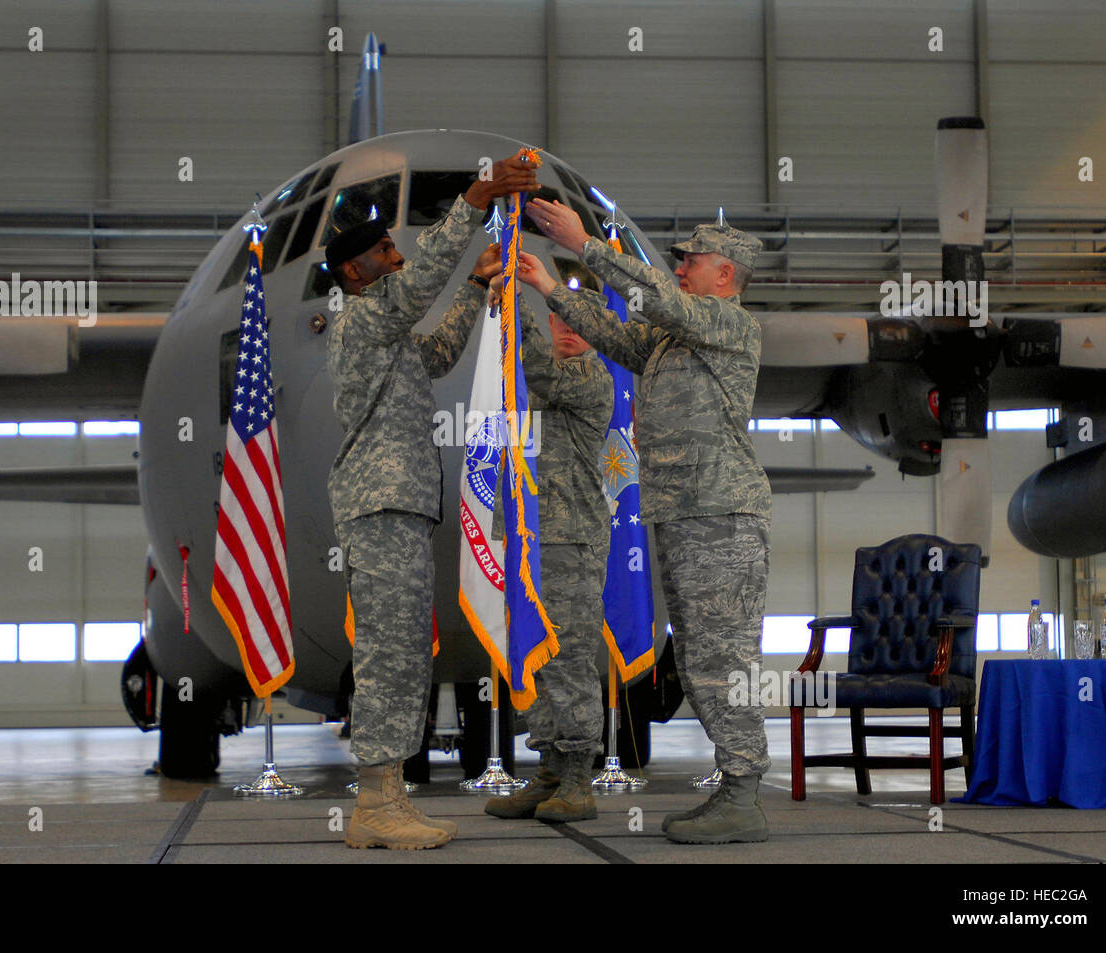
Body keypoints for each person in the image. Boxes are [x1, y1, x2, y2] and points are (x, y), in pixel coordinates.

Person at [520, 202, 772, 844]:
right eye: (681, 258)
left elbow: (655, 298)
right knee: (696, 653)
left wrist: (589, 243)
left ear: (725, 274)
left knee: (725, 655)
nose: (680, 266)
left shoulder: (726, 322)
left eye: (691, 259)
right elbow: (614, 333)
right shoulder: (673, 338)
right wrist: (550, 288)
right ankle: (732, 786)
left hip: (721, 513)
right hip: (686, 513)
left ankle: (743, 793)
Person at [326, 150, 538, 850]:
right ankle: (374, 804)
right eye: (385, 247)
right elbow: (417, 294)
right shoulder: (362, 316)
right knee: (389, 655)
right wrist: (476, 199)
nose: (396, 253)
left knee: (405, 652)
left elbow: (439, 350)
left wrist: (477, 288)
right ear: (355, 270)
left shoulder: (387, 331)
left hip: (402, 507)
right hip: (382, 507)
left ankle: (387, 796)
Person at [482, 281, 613, 824]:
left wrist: (516, 304)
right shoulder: (542, 383)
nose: (565, 326)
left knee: (571, 657)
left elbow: (536, 368)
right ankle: (551, 769)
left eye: (575, 318)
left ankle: (580, 775)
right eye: (556, 316)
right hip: (531, 539)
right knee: (537, 656)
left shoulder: (588, 377)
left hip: (569, 539)